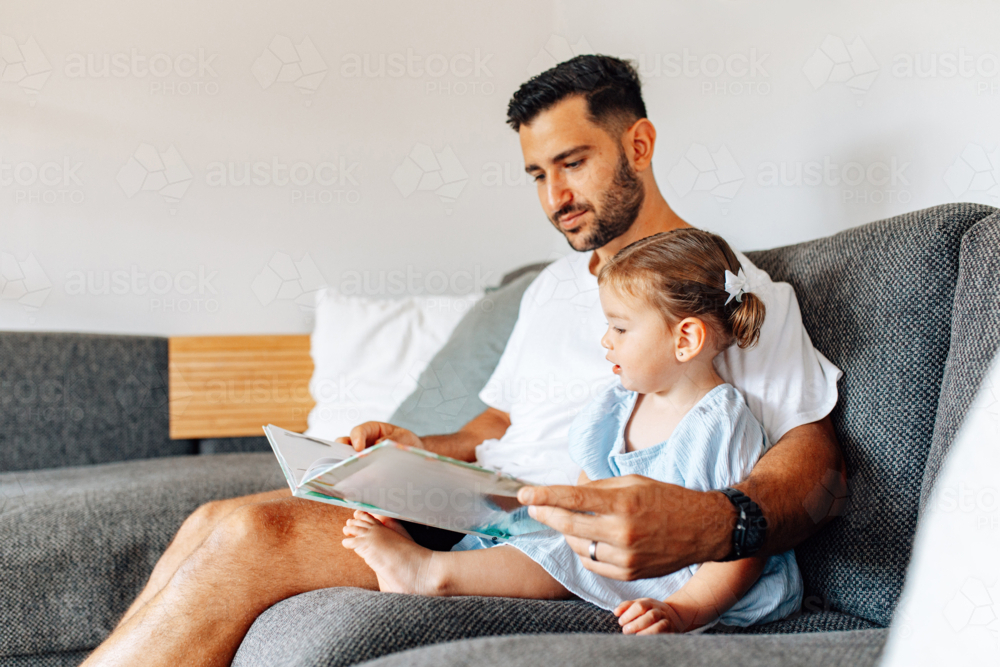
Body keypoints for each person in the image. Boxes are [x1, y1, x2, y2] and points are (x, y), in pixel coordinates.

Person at [82, 55, 845, 667]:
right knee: (214, 518)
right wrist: (418, 451)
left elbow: (812, 455)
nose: (555, 197)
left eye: (572, 162)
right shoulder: (550, 285)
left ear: (638, 146)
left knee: (251, 540)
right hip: (474, 505)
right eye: (537, 175)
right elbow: (496, 423)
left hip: (553, 542)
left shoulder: (726, 292)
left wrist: (721, 522)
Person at [343, 228, 803, 635]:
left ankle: (432, 576)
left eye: (620, 328)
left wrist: (683, 612)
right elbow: (588, 492)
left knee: (565, 554)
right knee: (526, 523)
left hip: (685, 575)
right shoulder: (617, 404)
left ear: (685, 339)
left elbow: (744, 550)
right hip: (613, 543)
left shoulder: (721, 423)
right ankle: (449, 557)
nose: (607, 341)